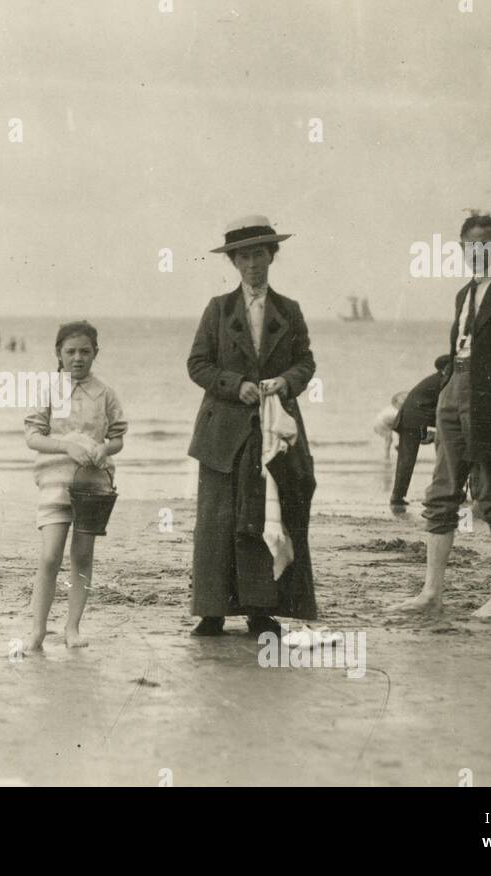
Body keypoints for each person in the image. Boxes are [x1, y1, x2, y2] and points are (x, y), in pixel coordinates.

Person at [393, 214, 491, 621]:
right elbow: (453, 359)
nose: (478, 254)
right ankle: (431, 593)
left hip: (490, 406)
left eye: (486, 246)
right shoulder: (463, 295)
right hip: (452, 395)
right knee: (442, 493)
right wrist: (431, 408)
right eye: (470, 247)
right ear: (461, 250)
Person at [186, 215, 318, 637]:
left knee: (267, 515)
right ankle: (212, 611)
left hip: (275, 430)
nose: (252, 264)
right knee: (218, 520)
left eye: (259, 255)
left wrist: (286, 382)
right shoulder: (218, 309)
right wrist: (235, 384)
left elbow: (306, 362)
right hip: (223, 434)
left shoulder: (289, 311)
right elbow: (198, 365)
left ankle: (262, 610)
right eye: (244, 257)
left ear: (272, 256)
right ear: (234, 263)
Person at [22, 321, 127, 650]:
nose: (78, 358)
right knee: (50, 556)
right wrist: (66, 446)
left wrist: (104, 448)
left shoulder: (105, 393)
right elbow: (33, 436)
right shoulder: (48, 390)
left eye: (85, 351)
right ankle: (37, 630)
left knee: (82, 556)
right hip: (54, 481)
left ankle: (72, 628)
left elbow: (118, 437)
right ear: (58, 353)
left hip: (93, 486)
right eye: (70, 352)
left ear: (96, 352)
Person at [389, 354, 453, 508]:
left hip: (412, 419)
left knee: (406, 459)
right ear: (446, 368)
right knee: (407, 460)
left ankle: (398, 496)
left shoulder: (436, 379)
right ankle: (397, 496)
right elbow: (441, 405)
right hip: (413, 420)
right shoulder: (443, 380)